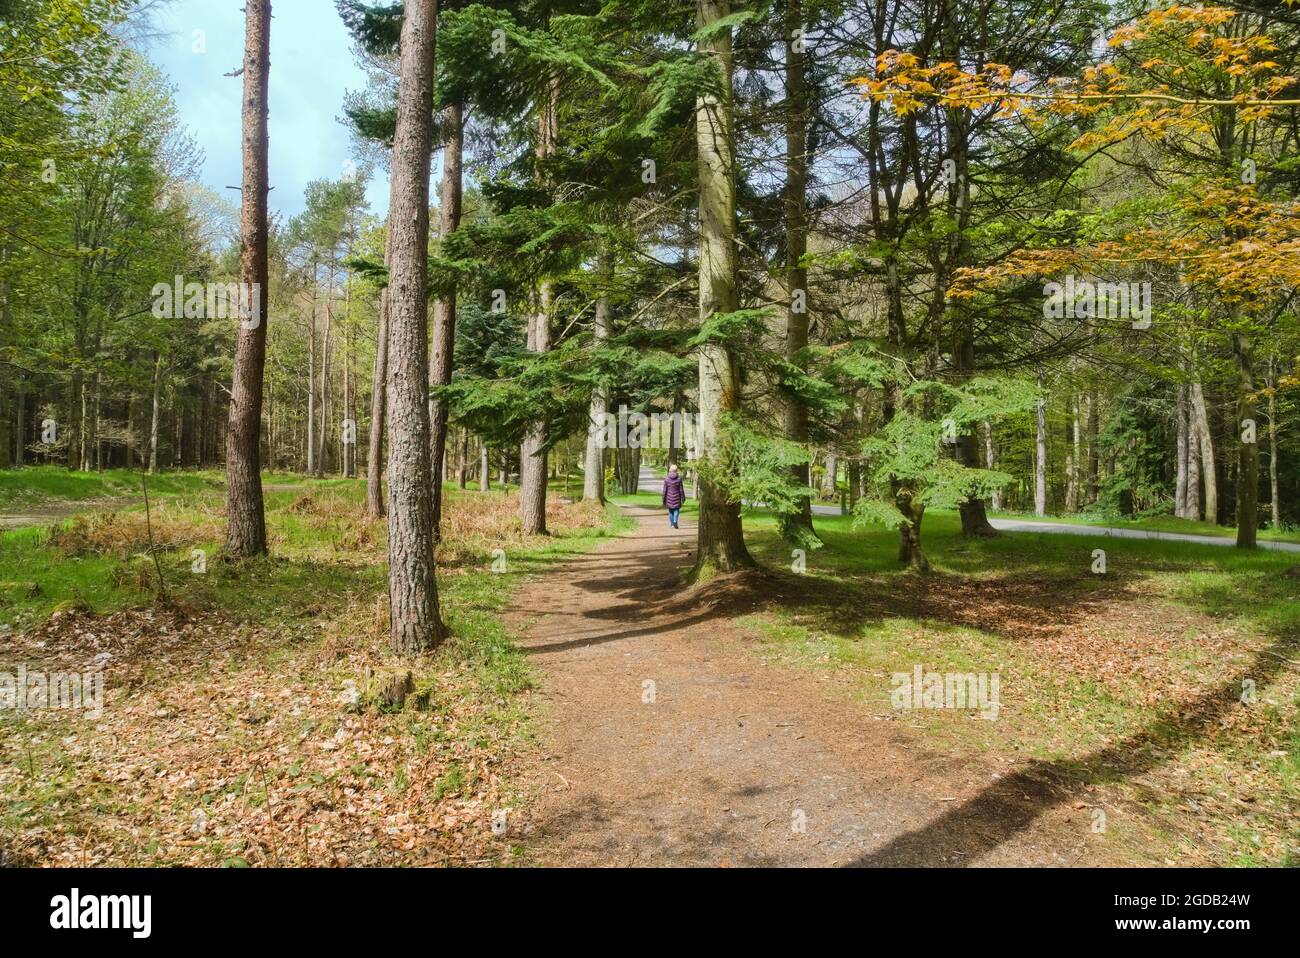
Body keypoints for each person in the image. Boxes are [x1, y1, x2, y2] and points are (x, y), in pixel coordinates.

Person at [662, 463, 684, 529]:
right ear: (676, 470)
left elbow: (664, 490)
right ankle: (675, 521)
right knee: (676, 510)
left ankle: (672, 524)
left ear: (670, 470)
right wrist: (683, 498)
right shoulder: (679, 479)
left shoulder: (666, 479)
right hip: (677, 497)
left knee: (670, 511)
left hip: (669, 497)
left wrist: (663, 498)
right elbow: (681, 490)